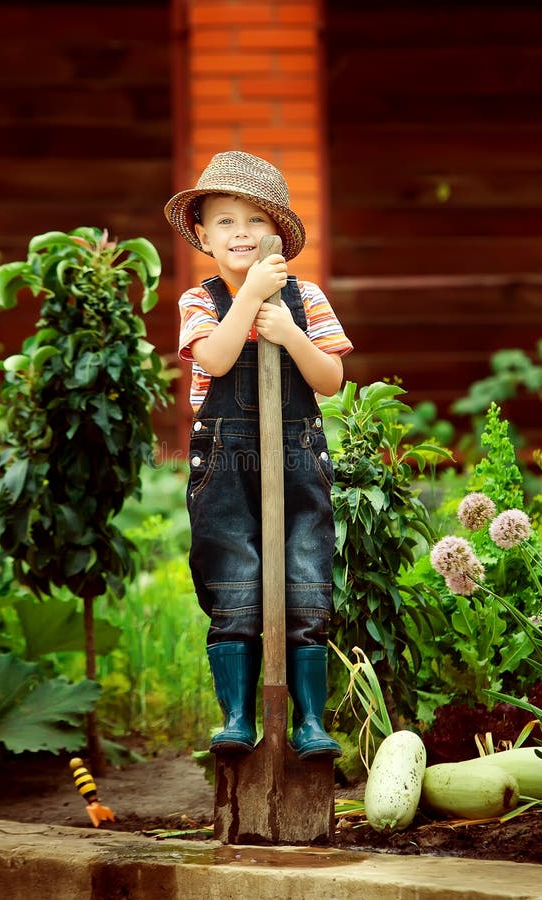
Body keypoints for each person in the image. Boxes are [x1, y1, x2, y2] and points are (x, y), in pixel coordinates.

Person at [164, 150, 353, 759]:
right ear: (201, 234)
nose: (239, 231)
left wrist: (288, 329)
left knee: (304, 583)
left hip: (297, 457)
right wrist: (249, 302)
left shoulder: (309, 298)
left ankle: (311, 724)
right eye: (223, 220)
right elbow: (215, 360)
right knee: (234, 584)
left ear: (278, 234)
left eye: (253, 219)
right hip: (224, 466)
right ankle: (240, 716)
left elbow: (330, 381)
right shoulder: (199, 302)